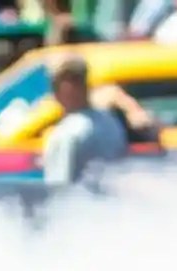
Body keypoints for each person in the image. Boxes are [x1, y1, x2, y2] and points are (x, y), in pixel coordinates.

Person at [41, 56, 128, 190]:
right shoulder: (110, 122)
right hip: (113, 205)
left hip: (81, 207)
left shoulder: (67, 134)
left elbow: (58, 190)